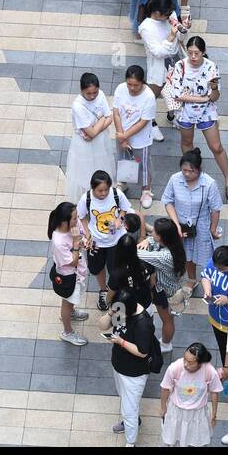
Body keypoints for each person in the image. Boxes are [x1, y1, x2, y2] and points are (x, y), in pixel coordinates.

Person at [167, 36, 228, 199]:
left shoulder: (211, 67)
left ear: (203, 52)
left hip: (206, 111)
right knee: (186, 143)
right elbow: (177, 95)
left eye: (196, 53)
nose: (193, 57)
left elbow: (215, 96)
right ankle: (191, 174)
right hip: (185, 112)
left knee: (216, 146)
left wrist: (212, 89)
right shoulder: (180, 66)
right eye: (190, 52)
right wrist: (203, 98)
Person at [163, 148, 223, 296]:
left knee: (207, 257)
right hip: (182, 226)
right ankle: (191, 279)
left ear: (199, 169)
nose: (187, 174)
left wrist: (213, 229)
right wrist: (176, 224)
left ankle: (213, 282)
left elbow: (215, 209)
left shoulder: (209, 183)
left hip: (202, 226)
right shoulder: (175, 179)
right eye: (185, 170)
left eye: (192, 171)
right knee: (186, 255)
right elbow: (168, 201)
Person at [109, 287, 157, 448]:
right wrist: (110, 313)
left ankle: (131, 442)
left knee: (129, 408)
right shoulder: (122, 310)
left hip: (134, 373)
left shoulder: (143, 323)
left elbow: (142, 352)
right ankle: (133, 422)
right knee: (125, 398)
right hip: (119, 365)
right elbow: (107, 326)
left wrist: (121, 342)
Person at [77, 170, 132, 310]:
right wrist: (87, 234)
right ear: (92, 188)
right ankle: (103, 290)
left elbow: (124, 209)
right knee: (96, 267)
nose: (103, 193)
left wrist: (119, 220)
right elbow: (81, 216)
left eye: (106, 190)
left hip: (116, 240)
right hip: (96, 241)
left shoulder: (116, 194)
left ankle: (113, 290)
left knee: (115, 269)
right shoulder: (86, 198)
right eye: (99, 190)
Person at [138, 0, 186, 137]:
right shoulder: (146, 27)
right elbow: (158, 52)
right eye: (167, 14)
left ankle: (173, 114)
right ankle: (150, 122)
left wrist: (183, 29)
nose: (170, 16)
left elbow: (180, 39)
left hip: (176, 61)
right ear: (158, 13)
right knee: (153, 95)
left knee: (178, 90)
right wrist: (171, 36)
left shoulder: (169, 16)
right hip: (160, 66)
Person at [137, 216, 187, 352]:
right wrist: (147, 240)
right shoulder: (174, 243)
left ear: (162, 237)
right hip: (170, 287)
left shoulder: (164, 256)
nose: (151, 233)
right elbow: (152, 238)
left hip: (164, 292)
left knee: (167, 320)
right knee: (168, 319)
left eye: (154, 233)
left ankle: (166, 344)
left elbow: (137, 254)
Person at [66, 72, 116, 202]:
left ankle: (103, 195)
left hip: (100, 140)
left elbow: (109, 118)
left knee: (101, 166)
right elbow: (91, 132)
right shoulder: (78, 106)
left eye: (95, 92)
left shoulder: (101, 95)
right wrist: (102, 121)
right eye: (89, 93)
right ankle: (87, 201)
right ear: (81, 90)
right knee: (85, 172)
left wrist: (96, 128)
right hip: (84, 145)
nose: (93, 96)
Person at [160, 343, 222, 447]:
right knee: (172, 439)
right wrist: (163, 407)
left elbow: (214, 391)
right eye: (184, 359)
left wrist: (214, 414)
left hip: (197, 413)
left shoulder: (209, 371)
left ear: (200, 363)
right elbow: (165, 388)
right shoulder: (175, 367)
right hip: (177, 411)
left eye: (190, 362)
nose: (185, 364)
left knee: (196, 441)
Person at [113, 63, 157, 207]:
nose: (132, 88)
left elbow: (143, 122)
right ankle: (122, 183)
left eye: (135, 85)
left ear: (142, 82)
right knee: (122, 159)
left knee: (143, 164)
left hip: (140, 139)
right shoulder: (120, 89)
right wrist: (121, 135)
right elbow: (116, 113)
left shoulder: (149, 96)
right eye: (129, 84)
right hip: (122, 134)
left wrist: (124, 136)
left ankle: (146, 190)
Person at [48, 201, 90, 346]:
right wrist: (77, 243)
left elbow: (81, 233)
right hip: (69, 278)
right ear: (64, 221)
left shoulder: (72, 225)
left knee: (71, 301)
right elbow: (73, 262)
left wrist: (84, 241)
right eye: (74, 218)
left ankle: (71, 312)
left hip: (77, 274)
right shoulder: (58, 242)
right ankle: (67, 332)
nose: (77, 220)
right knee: (67, 302)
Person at [107, 231, 154, 315]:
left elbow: (110, 297)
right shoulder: (147, 264)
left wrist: (110, 308)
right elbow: (152, 284)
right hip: (145, 306)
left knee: (120, 328)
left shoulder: (116, 273)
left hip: (123, 310)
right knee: (147, 327)